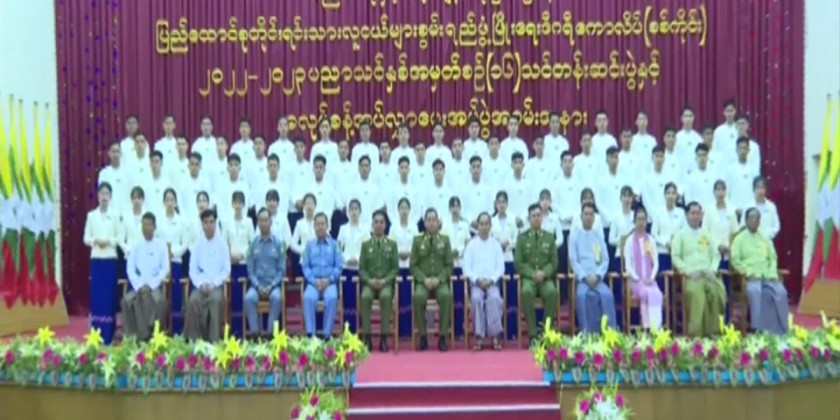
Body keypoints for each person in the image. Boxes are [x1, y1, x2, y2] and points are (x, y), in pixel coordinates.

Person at [670, 202, 726, 337]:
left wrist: (712, 270)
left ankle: (714, 333)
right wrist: (688, 271)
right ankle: (696, 334)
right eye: (692, 213)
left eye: (698, 213)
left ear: (701, 216)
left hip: (708, 275)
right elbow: (675, 257)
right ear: (687, 215)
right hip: (691, 277)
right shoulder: (680, 235)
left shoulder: (707, 234)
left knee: (716, 291)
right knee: (698, 294)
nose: (695, 216)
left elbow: (715, 255)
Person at [730, 208, 790, 334]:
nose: (755, 221)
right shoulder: (739, 239)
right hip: (750, 278)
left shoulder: (765, 238)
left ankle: (781, 329)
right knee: (756, 291)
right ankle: (758, 329)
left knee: (781, 292)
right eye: (751, 218)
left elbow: (773, 258)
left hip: (768, 276)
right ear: (746, 220)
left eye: (757, 218)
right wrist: (745, 272)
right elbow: (735, 260)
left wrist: (773, 273)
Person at [410, 208, 455, 351]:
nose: (431, 223)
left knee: (446, 295)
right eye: (428, 220)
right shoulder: (417, 241)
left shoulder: (445, 240)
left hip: (439, 282)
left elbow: (449, 265)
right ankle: (423, 336)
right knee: (418, 296)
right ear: (424, 223)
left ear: (438, 222)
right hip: (423, 283)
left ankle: (442, 336)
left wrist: (439, 279)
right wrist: (424, 280)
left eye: (434, 220)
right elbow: (413, 265)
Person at [184, 209, 231, 341]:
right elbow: (192, 270)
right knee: (193, 300)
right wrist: (201, 284)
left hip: (216, 286)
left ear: (216, 223)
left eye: (211, 222)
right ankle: (194, 342)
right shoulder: (197, 245)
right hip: (201, 285)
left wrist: (214, 284)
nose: (209, 225)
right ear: (202, 224)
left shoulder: (222, 244)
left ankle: (213, 342)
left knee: (215, 301)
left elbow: (226, 269)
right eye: (206, 222)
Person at [121, 212, 169, 340]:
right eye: (144, 224)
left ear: (154, 227)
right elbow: (130, 269)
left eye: (148, 225)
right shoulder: (136, 246)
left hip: (155, 286)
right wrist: (139, 285)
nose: (146, 227)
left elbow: (165, 268)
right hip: (139, 285)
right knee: (126, 301)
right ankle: (132, 337)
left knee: (160, 301)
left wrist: (152, 284)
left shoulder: (161, 245)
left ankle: (153, 335)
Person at [515, 204, 559, 344]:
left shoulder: (549, 237)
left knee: (552, 292)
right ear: (529, 218)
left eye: (539, 216)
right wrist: (532, 273)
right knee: (526, 292)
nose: (536, 218)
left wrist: (544, 273)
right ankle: (533, 334)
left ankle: (546, 333)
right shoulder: (522, 238)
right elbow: (518, 262)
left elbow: (554, 262)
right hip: (530, 278)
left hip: (545, 278)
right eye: (533, 216)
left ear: (542, 217)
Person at [83, 182, 121, 343]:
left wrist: (108, 241)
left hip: (110, 259)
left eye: (107, 194)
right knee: (97, 296)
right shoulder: (91, 216)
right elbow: (85, 238)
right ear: (98, 197)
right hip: (97, 260)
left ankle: (109, 332)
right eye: (101, 194)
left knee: (109, 296)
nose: (104, 197)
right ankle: (96, 333)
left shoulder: (115, 215)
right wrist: (96, 240)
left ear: (110, 197)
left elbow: (119, 237)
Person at [569, 203, 615, 333]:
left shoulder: (598, 236)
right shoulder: (574, 236)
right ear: (581, 216)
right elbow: (573, 260)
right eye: (586, 214)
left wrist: (598, 275)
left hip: (597, 278)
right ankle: (586, 333)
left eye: (591, 214)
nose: (588, 217)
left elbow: (605, 259)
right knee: (582, 296)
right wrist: (584, 277)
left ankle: (609, 334)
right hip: (583, 279)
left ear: (594, 218)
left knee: (607, 295)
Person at [358, 210, 399, 352]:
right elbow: (361, 268)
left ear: (386, 225)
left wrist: (384, 281)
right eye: (376, 222)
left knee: (386, 297)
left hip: (385, 284)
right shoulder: (365, 244)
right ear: (372, 224)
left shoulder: (392, 244)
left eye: (381, 222)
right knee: (365, 296)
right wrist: (369, 281)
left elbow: (395, 268)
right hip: (370, 283)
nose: (379, 225)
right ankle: (367, 337)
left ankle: (384, 337)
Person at [463, 213, 505, 350]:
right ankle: (479, 336)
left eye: (487, 224)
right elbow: (466, 267)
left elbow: (500, 267)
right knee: (475, 298)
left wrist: (491, 280)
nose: (484, 226)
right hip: (477, 284)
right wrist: (477, 279)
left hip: (492, 283)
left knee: (494, 297)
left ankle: (494, 336)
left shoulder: (496, 244)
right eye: (481, 224)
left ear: (490, 226)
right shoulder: (471, 245)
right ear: (477, 226)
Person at [244, 208, 285, 337]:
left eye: (266, 220)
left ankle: (269, 334)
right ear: (258, 223)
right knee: (248, 298)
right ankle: (255, 333)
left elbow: (281, 269)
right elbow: (250, 270)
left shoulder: (279, 244)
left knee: (277, 298)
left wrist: (272, 285)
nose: (263, 223)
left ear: (271, 221)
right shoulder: (253, 244)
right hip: (257, 285)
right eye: (261, 220)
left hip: (274, 285)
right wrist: (258, 286)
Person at [301, 212, 343, 338]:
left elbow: (339, 266)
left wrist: (329, 280)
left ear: (327, 226)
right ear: (314, 226)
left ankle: (326, 335)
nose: (320, 227)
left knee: (332, 298)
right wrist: (314, 281)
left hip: (329, 282)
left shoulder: (335, 245)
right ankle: (311, 335)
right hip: (313, 283)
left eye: (323, 224)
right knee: (308, 297)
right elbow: (305, 266)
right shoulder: (308, 245)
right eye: (317, 224)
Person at [622, 208, 663, 330]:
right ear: (634, 222)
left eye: (643, 219)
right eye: (638, 219)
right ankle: (647, 327)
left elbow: (655, 263)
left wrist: (651, 278)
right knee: (645, 292)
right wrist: (639, 278)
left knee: (657, 293)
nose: (641, 222)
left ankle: (656, 327)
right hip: (635, 281)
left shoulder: (650, 240)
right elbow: (628, 265)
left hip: (650, 280)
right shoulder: (629, 241)